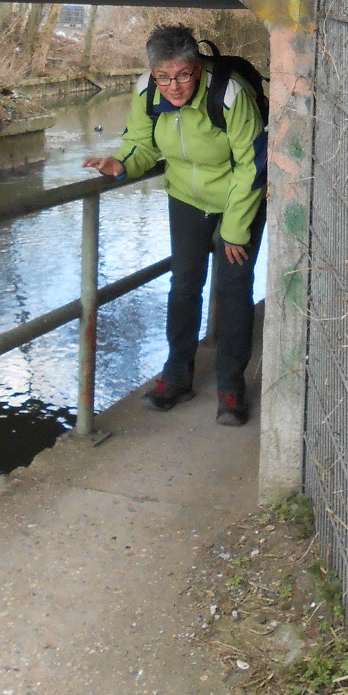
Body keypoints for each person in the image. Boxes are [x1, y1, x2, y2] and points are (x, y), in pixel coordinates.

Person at [84, 23, 267, 426]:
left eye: (183, 75)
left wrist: (234, 230)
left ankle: (230, 386)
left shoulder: (229, 93)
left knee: (234, 288)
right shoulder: (145, 91)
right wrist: (121, 164)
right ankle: (177, 376)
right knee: (184, 284)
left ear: (197, 68)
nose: (174, 86)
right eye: (163, 77)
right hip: (185, 197)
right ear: (153, 74)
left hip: (237, 198)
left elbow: (253, 165)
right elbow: (142, 142)